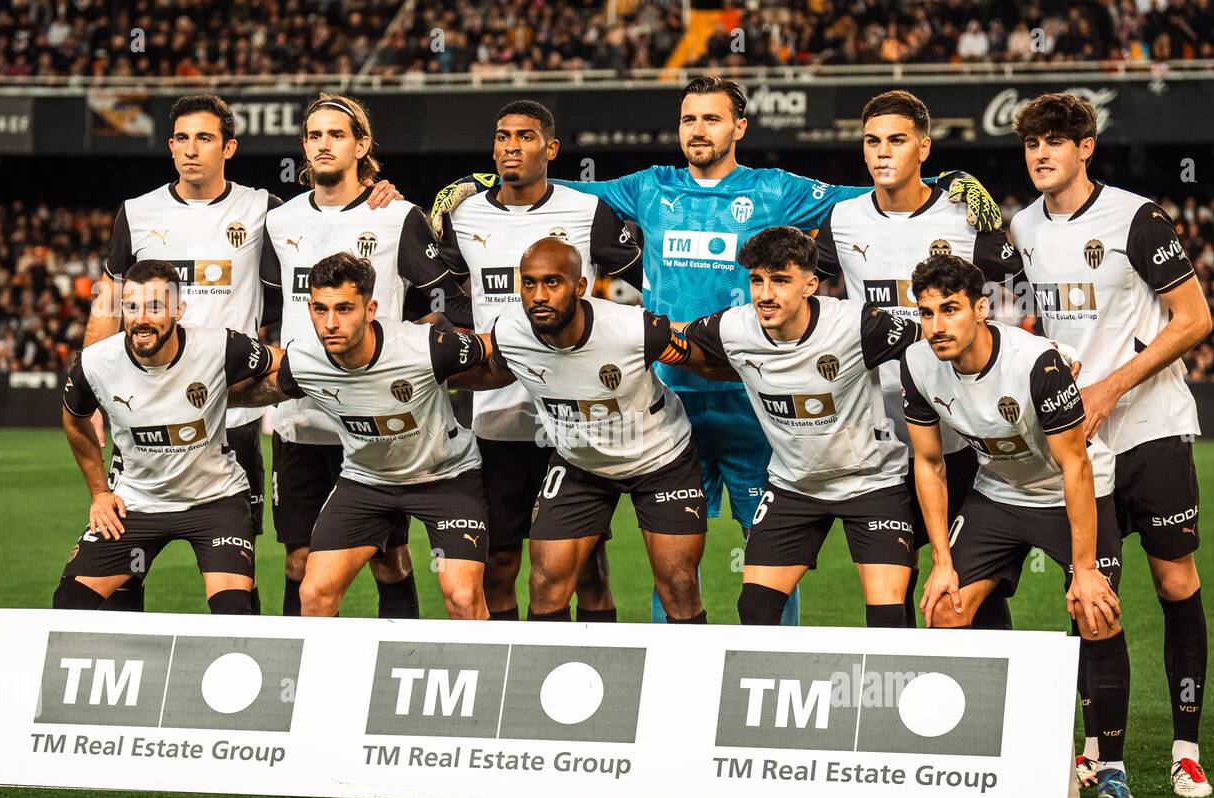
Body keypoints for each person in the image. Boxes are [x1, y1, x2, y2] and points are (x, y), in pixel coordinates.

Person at [432, 75, 1001, 626]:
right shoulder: (648, 186)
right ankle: (675, 677)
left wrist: (947, 179)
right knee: (671, 562)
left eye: (711, 119)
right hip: (669, 404)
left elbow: (876, 193)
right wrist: (487, 182)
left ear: (739, 128)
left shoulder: (778, 189)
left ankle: (772, 667)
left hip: (758, 400)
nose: (697, 129)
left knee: (773, 554)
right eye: (688, 119)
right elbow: (560, 191)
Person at [89, 92, 399, 615]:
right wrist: (96, 390)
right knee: (126, 551)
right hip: (142, 409)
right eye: (182, 138)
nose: (192, 150)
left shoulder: (263, 211)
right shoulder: (137, 213)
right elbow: (107, 298)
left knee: (239, 556)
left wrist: (376, 192)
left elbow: (327, 220)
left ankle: (252, 659)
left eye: (205, 138)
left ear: (228, 147)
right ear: (169, 146)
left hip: (232, 411)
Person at [1009, 93, 1214, 798]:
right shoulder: (1021, 228)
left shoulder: (1136, 217)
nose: (1042, 153)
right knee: (1090, 593)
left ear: (1085, 147)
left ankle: (1185, 748)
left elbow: (1194, 320)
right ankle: (1100, 752)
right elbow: (1027, 320)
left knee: (1175, 583)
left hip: (1151, 429)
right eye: (1032, 142)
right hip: (1078, 446)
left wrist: (1109, 387)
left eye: (1056, 141)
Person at [900, 254, 1134, 798]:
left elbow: (1075, 464)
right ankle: (1004, 741)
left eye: (951, 310)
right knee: (945, 610)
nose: (937, 326)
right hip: (997, 493)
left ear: (981, 309)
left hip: (1072, 491)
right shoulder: (916, 362)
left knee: (1094, 613)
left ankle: (1109, 764)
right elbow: (929, 463)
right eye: (927, 312)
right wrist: (941, 561)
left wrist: (1085, 569)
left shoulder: (1038, 364)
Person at [813, 89, 1020, 630]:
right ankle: (892, 706)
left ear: (924, 148)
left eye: (898, 140)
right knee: (891, 585)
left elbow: (1010, 286)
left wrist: (992, 218)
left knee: (976, 584)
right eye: (872, 141)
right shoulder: (841, 220)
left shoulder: (962, 214)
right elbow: (809, 296)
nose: (883, 152)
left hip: (960, 426)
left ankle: (991, 699)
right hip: (880, 435)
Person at [260, 92, 471, 619]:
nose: (323, 144)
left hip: (382, 422)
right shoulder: (280, 222)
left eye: (336, 134)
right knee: (300, 560)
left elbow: (444, 303)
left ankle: (398, 669)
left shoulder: (397, 215)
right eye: (313, 135)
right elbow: (270, 313)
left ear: (362, 144)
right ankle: (300, 678)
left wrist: (410, 357)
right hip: (303, 419)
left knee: (390, 558)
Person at [434, 99, 643, 623]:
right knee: (500, 560)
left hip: (575, 419)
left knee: (587, 563)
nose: (511, 146)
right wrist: (484, 326)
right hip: (499, 418)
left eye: (526, 137)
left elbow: (646, 284)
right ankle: (512, 672)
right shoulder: (466, 215)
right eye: (503, 136)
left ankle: (595, 671)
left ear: (550, 148)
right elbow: (438, 294)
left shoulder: (586, 211)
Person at [665, 226, 917, 627]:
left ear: (811, 284)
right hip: (794, 486)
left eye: (781, 280)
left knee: (889, 614)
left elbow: (936, 344)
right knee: (755, 608)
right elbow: (672, 336)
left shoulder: (858, 324)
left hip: (872, 483)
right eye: (757, 280)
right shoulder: (734, 327)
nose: (765, 295)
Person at [232, 253, 501, 619]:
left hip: (446, 479)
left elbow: (497, 352)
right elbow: (259, 391)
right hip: (365, 483)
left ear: (370, 308)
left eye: (344, 309)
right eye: (320, 309)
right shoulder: (307, 359)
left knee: (463, 598)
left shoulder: (425, 346)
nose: (330, 323)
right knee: (313, 593)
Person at [468, 238, 707, 623]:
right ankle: (548, 678)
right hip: (580, 464)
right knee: (546, 584)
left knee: (678, 584)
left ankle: (690, 682)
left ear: (580, 287)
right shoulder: (511, 333)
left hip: (661, 459)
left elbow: (705, 359)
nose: (538, 296)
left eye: (552, 283)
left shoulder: (632, 328)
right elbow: (479, 369)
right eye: (529, 284)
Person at [55, 259, 274, 614]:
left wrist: (239, 394)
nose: (141, 318)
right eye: (132, 306)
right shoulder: (95, 363)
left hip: (215, 500)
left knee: (234, 609)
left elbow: (280, 365)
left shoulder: (219, 346)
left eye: (155, 306)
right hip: (136, 502)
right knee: (70, 604)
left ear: (178, 310)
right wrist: (99, 492)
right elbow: (74, 418)